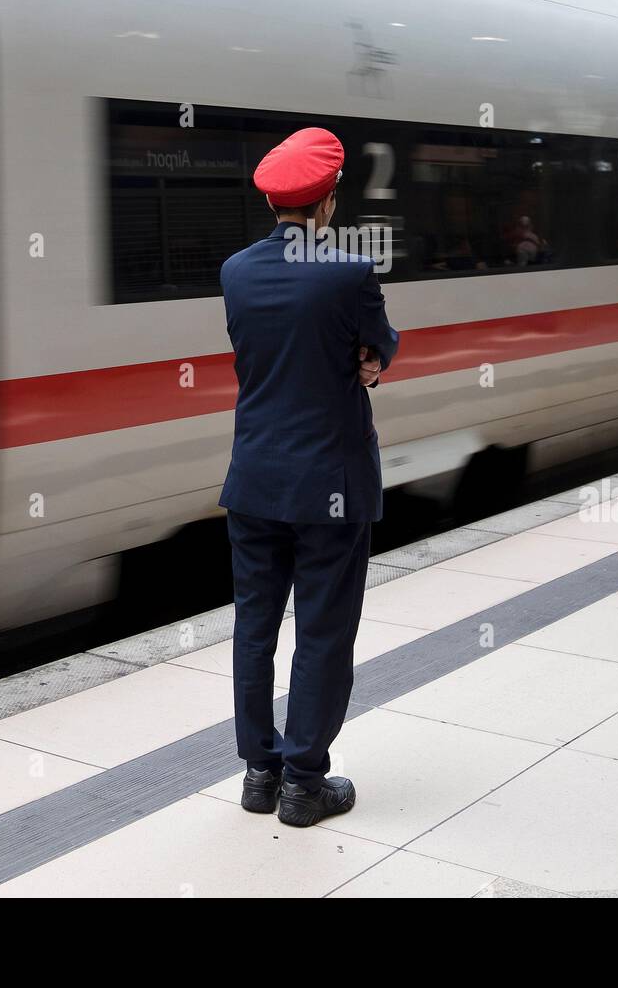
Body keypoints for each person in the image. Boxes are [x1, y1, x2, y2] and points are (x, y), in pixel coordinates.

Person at [219, 127, 399, 828]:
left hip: (255, 478)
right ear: (328, 201)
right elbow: (377, 344)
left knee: (255, 626)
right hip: (331, 480)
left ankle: (258, 774)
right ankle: (304, 782)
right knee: (323, 630)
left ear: (270, 198)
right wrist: (370, 360)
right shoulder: (349, 274)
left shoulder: (234, 272)